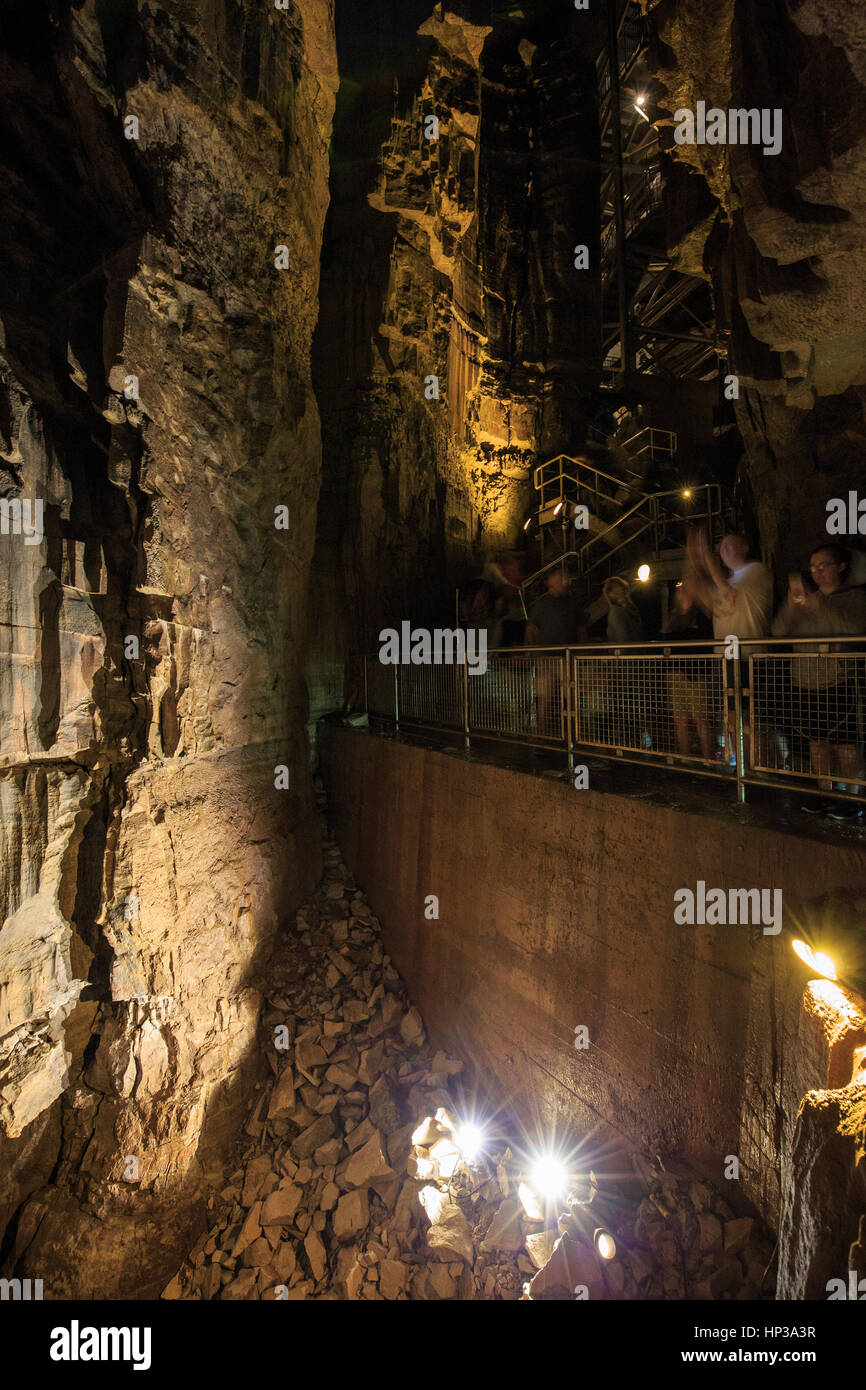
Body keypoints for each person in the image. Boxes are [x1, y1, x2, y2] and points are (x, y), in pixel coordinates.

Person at [771, 542, 866, 819]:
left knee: (845, 744)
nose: (817, 572)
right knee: (817, 742)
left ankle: (852, 797)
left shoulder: (853, 598)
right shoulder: (804, 604)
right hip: (805, 681)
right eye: (813, 567)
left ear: (841, 567)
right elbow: (777, 632)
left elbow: (854, 627)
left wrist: (820, 605)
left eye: (823, 565)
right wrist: (791, 608)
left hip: (839, 681)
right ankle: (825, 793)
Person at [685, 530, 773, 764]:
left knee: (750, 715)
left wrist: (708, 560)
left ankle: (758, 764)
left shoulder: (756, 572)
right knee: (729, 715)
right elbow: (710, 602)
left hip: (747, 656)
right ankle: (740, 763)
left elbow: (728, 594)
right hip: (724, 658)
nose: (724, 551)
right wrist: (696, 564)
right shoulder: (727, 580)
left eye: (729, 545)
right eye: (720, 548)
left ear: (744, 547)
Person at [526, 568, 587, 735]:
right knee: (545, 697)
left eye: (564, 577)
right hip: (547, 657)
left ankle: (572, 731)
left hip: (566, 656)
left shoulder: (573, 602)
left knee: (570, 695)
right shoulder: (542, 603)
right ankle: (543, 731)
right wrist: (533, 650)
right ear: (550, 581)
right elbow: (531, 628)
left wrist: (579, 652)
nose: (563, 581)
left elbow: (581, 629)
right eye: (559, 577)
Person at [602, 575, 643, 644]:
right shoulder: (632, 609)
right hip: (637, 652)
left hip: (622, 653)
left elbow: (622, 641)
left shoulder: (616, 612)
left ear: (610, 594)